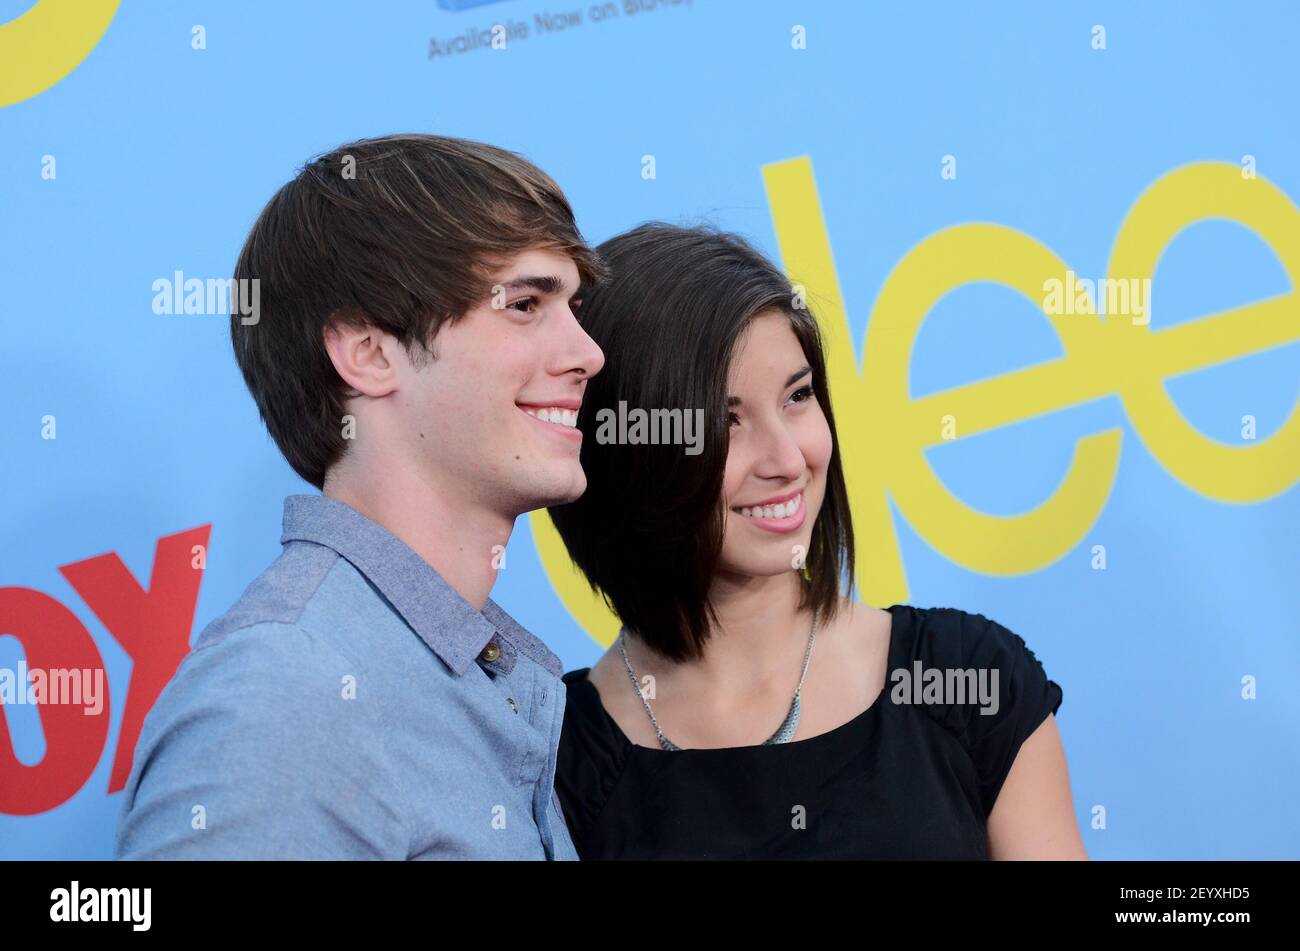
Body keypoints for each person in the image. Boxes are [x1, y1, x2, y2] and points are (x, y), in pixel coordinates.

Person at [115, 134, 605, 859]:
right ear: (369, 353)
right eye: (526, 304)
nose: (588, 353)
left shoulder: (464, 671)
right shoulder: (282, 698)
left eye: (574, 306)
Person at [549, 223, 1087, 859]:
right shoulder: (558, 763)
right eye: (725, 421)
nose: (787, 457)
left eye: (798, 397)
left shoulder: (963, 680)